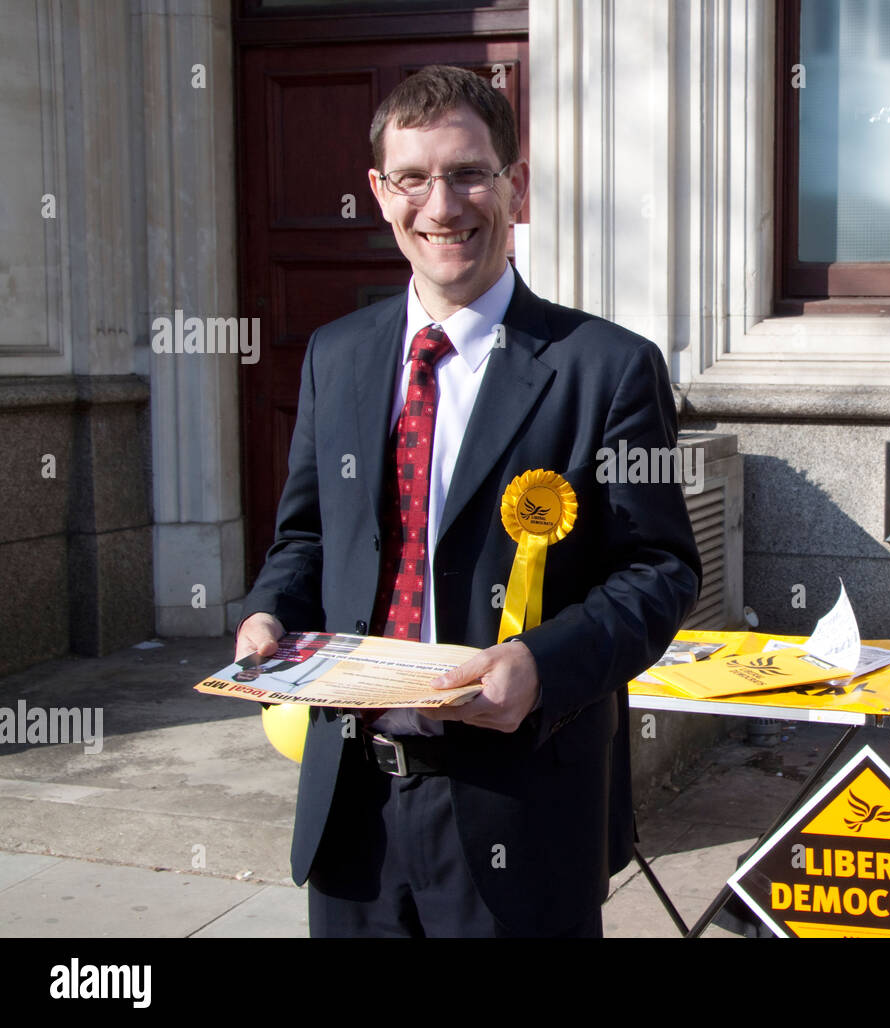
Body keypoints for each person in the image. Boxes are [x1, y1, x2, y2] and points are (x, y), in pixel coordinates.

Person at [235, 65, 701, 937]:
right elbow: (305, 539)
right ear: (379, 193)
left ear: (515, 186)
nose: (442, 206)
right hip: (352, 811)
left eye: (468, 173)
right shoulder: (334, 355)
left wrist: (542, 667)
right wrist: (268, 614)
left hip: (518, 808)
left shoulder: (607, 368)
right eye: (413, 178)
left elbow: (660, 571)